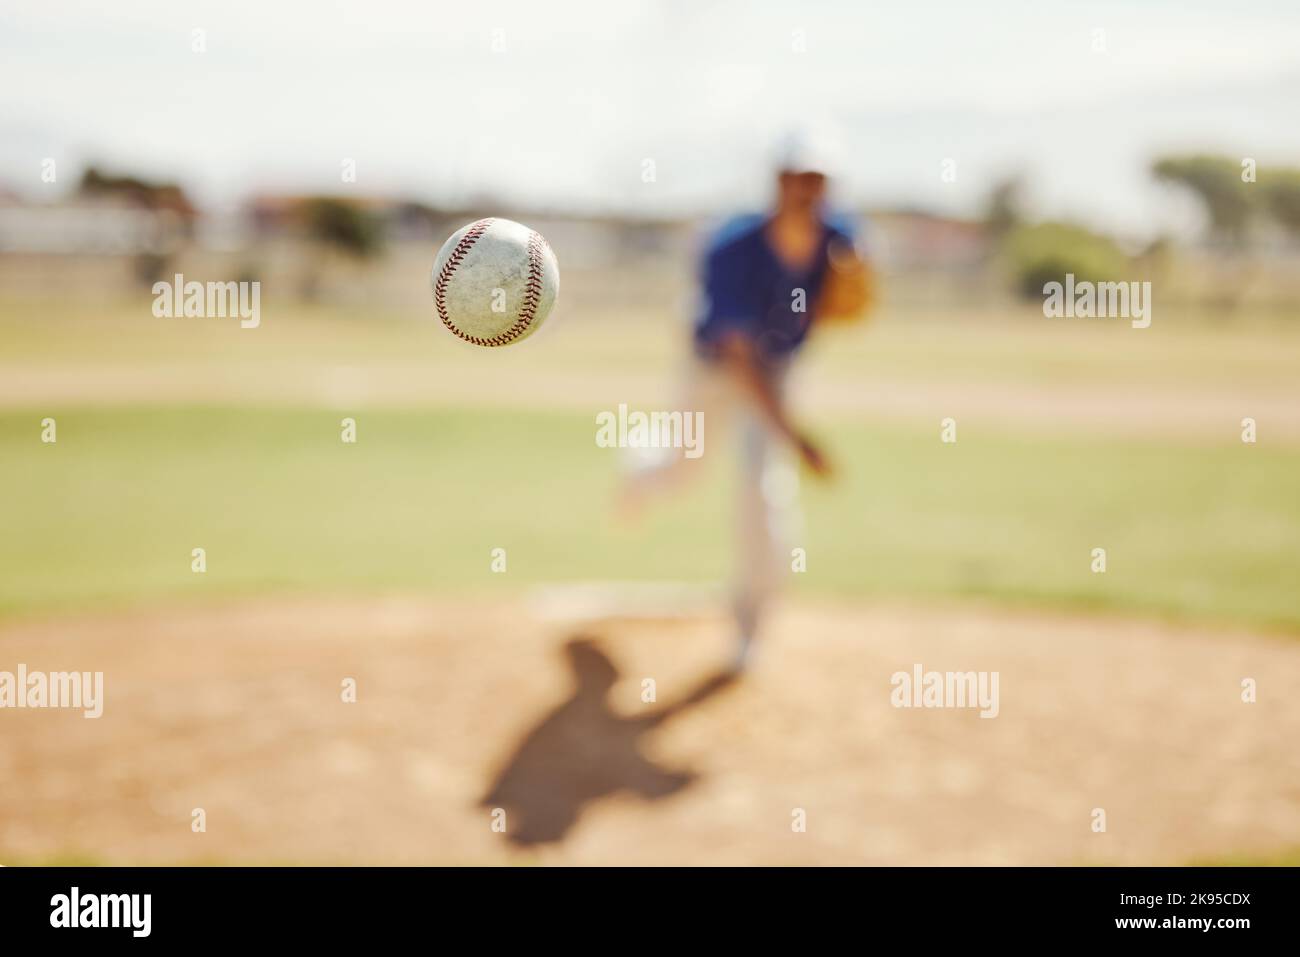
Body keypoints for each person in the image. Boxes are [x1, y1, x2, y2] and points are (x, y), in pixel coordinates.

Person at [621, 129, 874, 671]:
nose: (807, 189)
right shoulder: (732, 245)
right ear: (776, 182)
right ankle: (638, 468)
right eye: (796, 177)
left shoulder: (841, 239)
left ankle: (751, 627)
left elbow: (853, 297)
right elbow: (738, 356)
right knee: (681, 469)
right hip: (715, 366)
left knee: (762, 490)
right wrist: (796, 436)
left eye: (817, 179)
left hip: (778, 368)